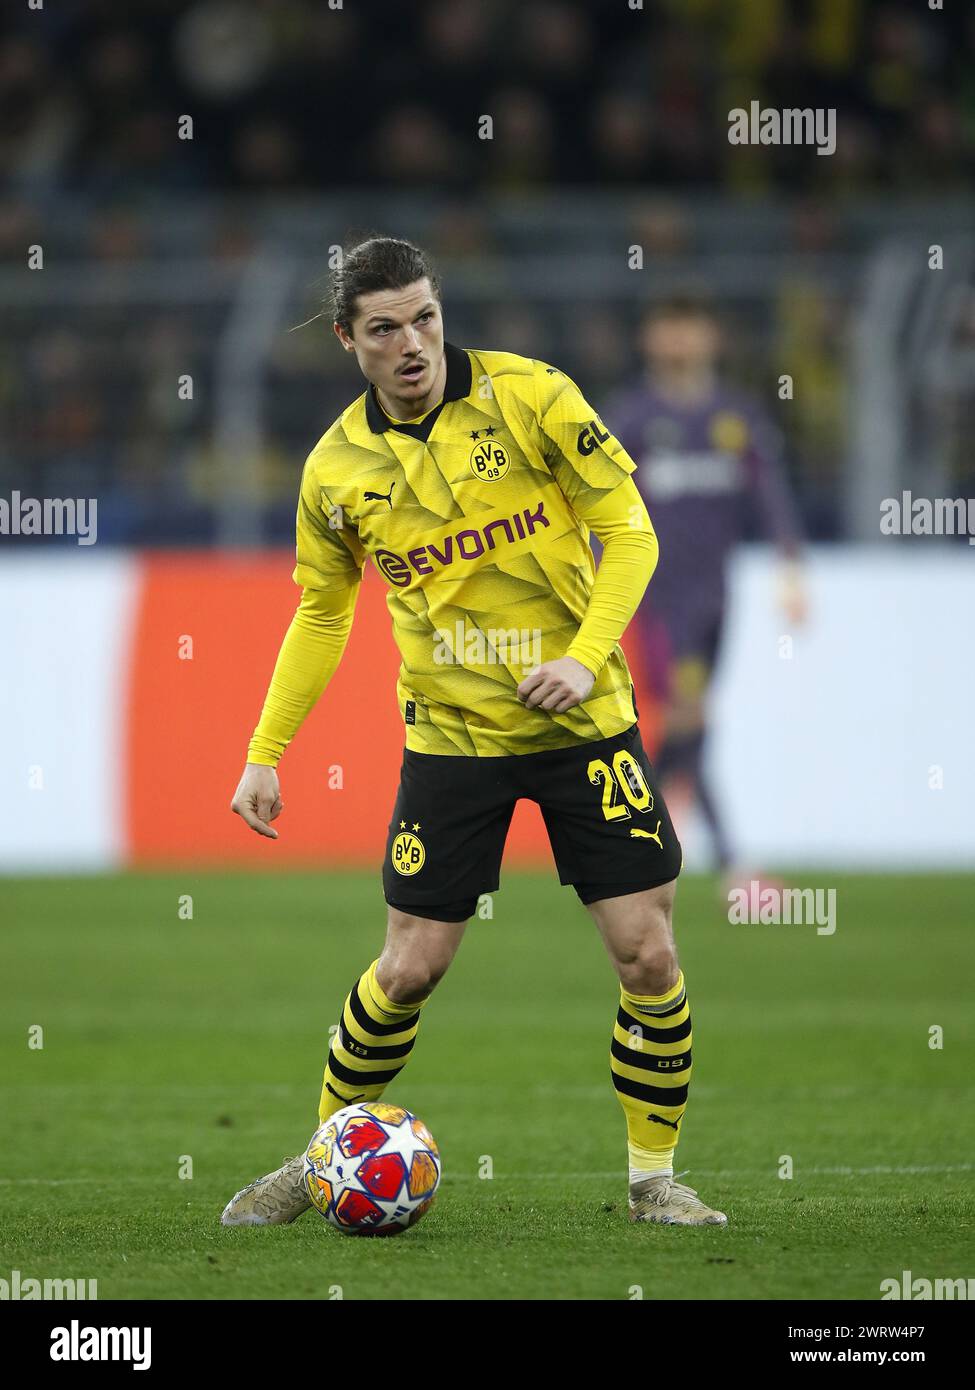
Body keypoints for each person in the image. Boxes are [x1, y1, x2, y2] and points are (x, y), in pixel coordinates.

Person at [221, 238, 726, 1228]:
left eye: (425, 318)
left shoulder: (532, 398)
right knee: (409, 965)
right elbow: (324, 613)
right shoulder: (334, 471)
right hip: (452, 737)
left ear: (441, 312)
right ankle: (324, 1157)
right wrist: (265, 752)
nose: (411, 343)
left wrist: (583, 654)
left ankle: (653, 1179)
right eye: (384, 329)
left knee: (648, 955)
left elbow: (631, 530)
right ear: (347, 340)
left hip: (584, 722)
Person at [610, 297, 806, 881]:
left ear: (710, 337)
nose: (679, 341)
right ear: (651, 337)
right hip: (659, 598)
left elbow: (769, 494)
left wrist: (790, 564)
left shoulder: (736, 417)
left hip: (717, 596)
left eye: (689, 328)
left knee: (689, 722)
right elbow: (598, 502)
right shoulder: (631, 418)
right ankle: (733, 864)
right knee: (689, 711)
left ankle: (618, 828)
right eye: (668, 327)